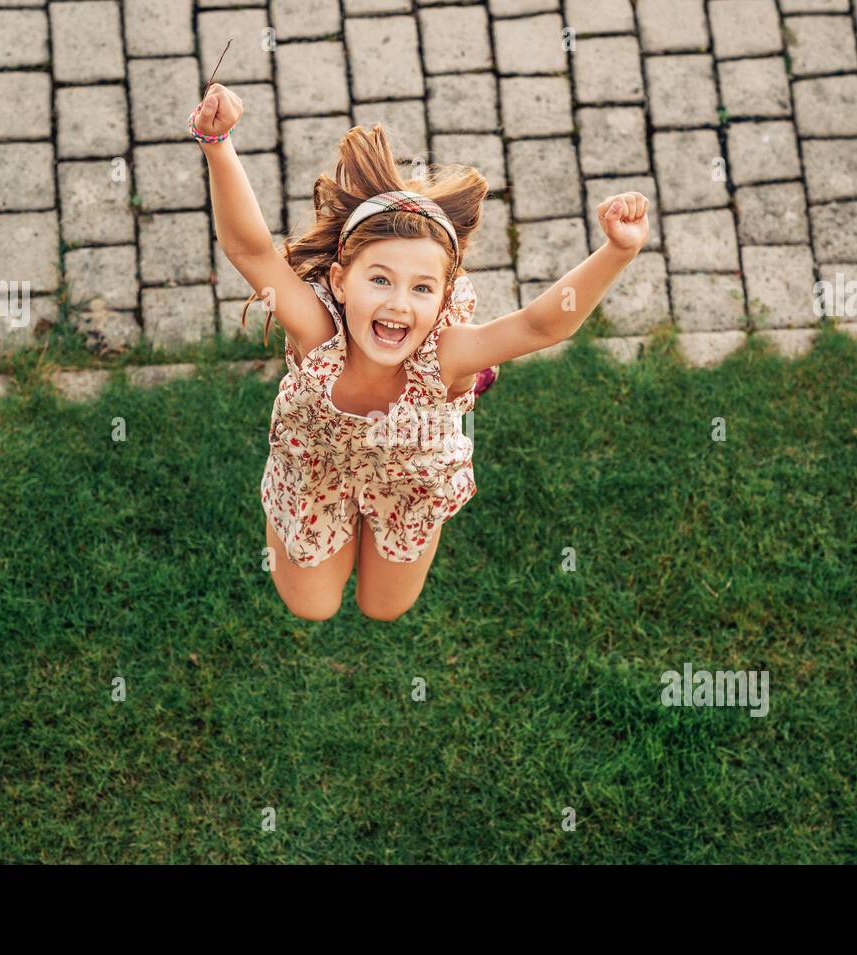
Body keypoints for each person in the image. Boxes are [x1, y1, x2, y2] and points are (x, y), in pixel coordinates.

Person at [192, 85, 651, 620]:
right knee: (311, 606)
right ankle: (331, 532)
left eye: (421, 289)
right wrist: (217, 142)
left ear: (443, 300)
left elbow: (539, 325)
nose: (398, 305)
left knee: (384, 608)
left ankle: (373, 531)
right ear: (340, 281)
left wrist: (619, 249)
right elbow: (251, 250)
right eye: (380, 279)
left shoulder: (448, 355)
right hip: (315, 476)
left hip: (409, 487)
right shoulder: (319, 334)